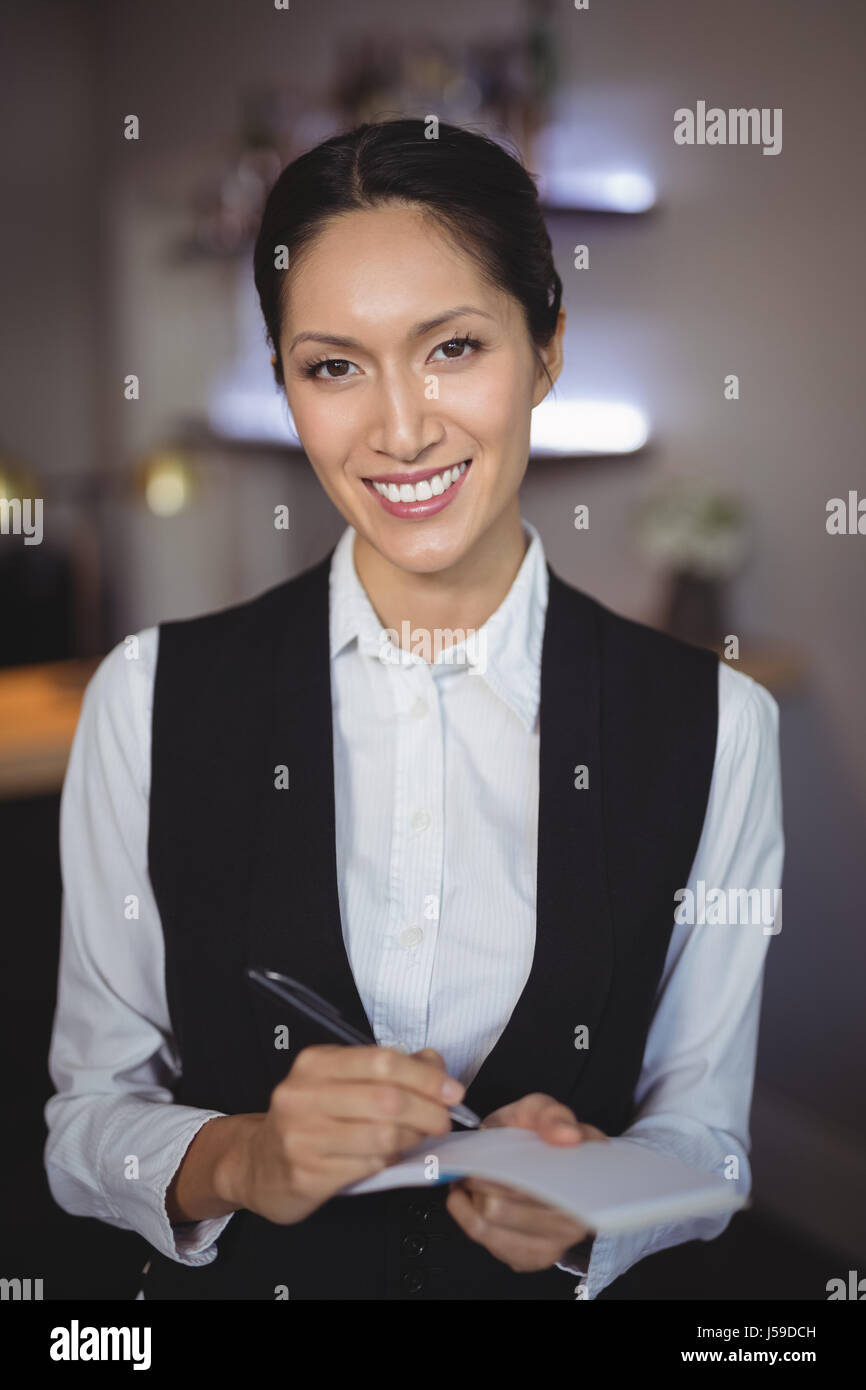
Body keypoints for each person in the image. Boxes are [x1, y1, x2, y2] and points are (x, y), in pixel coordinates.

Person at [44, 118, 783, 1301]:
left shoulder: (718, 724)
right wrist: (241, 1154)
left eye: (451, 347)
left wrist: (601, 1198)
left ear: (545, 348)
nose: (398, 428)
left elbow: (708, 1146)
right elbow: (85, 1126)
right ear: (286, 388)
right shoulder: (147, 696)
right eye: (332, 364)